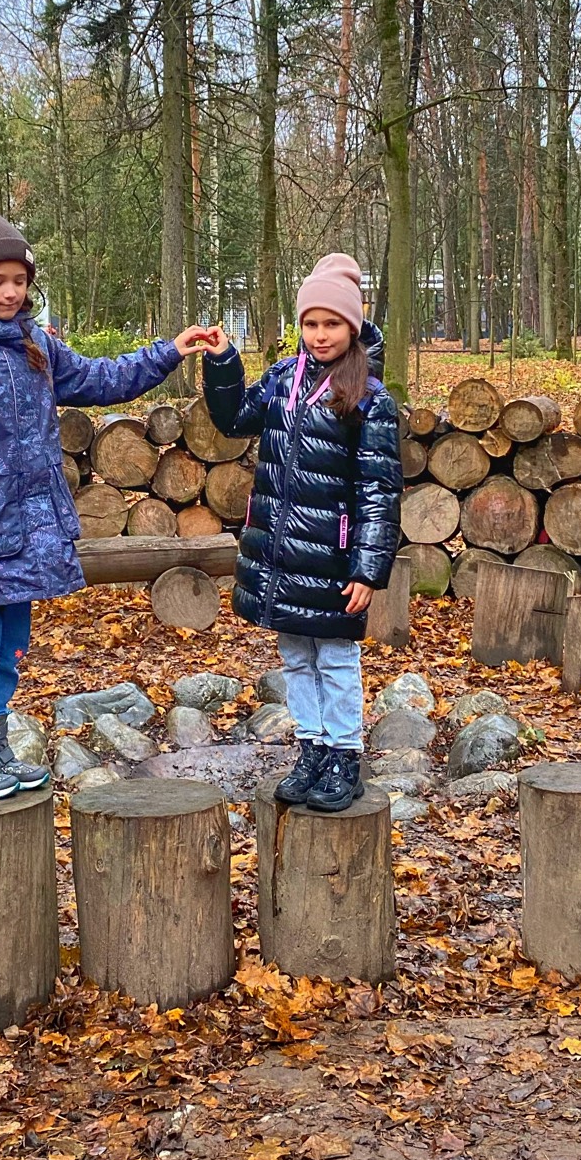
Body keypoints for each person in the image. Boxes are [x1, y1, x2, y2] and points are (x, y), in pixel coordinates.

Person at [0, 209, 215, 800]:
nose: (11, 291)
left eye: (19, 280)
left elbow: (105, 379)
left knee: (9, 646)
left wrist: (171, 350)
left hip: (26, 531)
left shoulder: (36, 346)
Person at [201, 254, 402, 811]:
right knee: (296, 656)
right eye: (310, 323)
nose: (319, 335)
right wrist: (222, 363)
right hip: (279, 556)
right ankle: (312, 748)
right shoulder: (282, 379)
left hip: (335, 560)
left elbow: (380, 490)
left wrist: (368, 568)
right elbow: (233, 419)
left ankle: (344, 756)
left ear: (353, 326)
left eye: (331, 324)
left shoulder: (371, 397)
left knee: (336, 659)